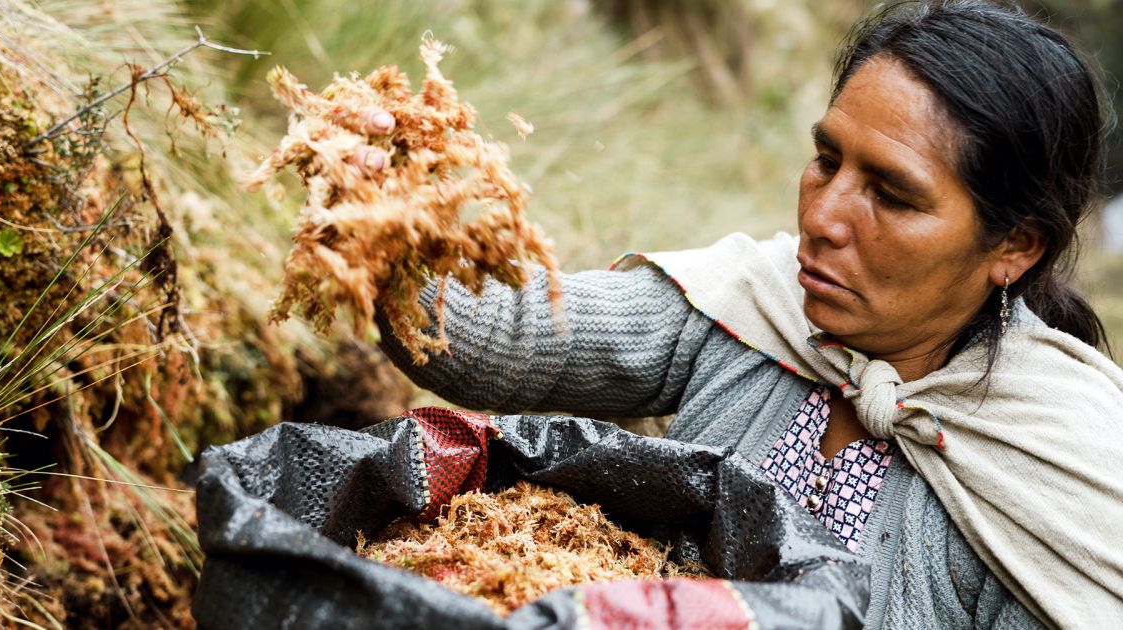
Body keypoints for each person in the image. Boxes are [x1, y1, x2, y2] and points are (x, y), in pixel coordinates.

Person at [371, 1, 1123, 627]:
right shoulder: (756, 306)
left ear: (1015, 246)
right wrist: (373, 210)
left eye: (891, 196)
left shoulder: (1058, 474)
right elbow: (500, 336)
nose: (821, 218)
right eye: (826, 160)